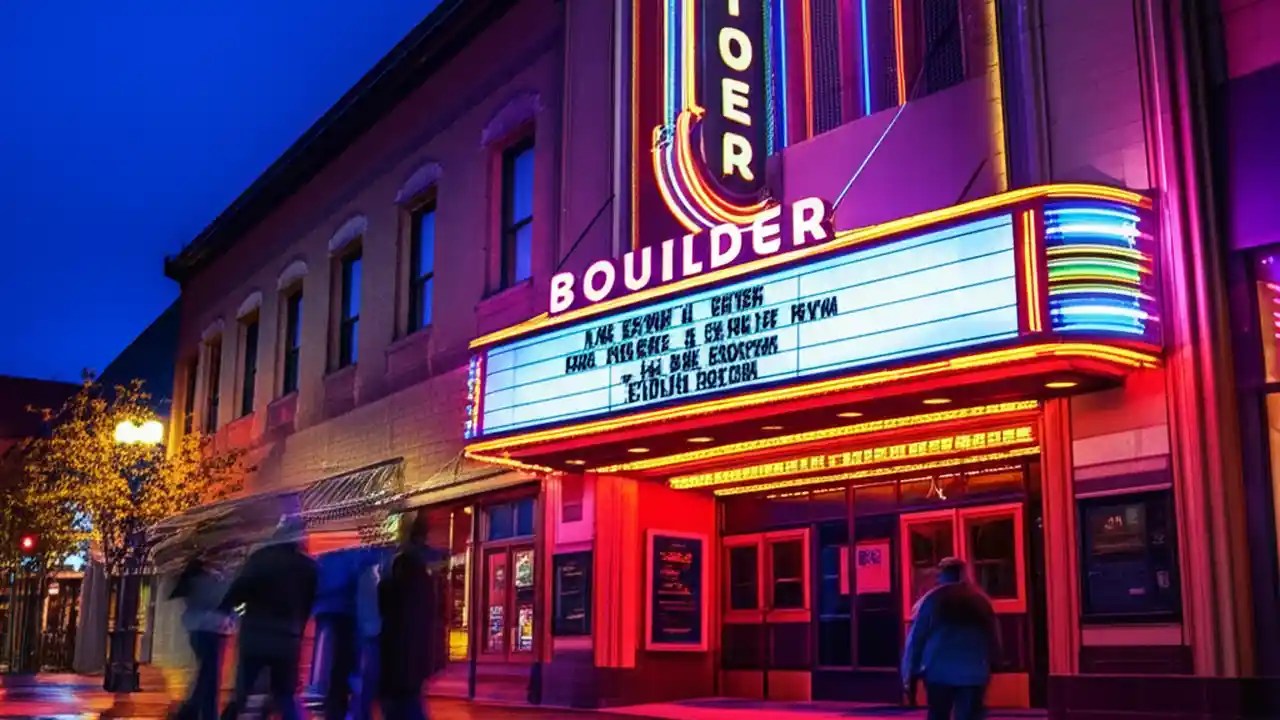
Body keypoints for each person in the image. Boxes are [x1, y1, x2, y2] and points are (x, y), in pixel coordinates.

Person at [219, 515, 317, 720]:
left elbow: (239, 590)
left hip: (256, 633)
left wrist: (237, 611)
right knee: (285, 695)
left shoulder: (260, 558)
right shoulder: (307, 566)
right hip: (287, 638)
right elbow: (309, 602)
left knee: (242, 692)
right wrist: (298, 627)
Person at [901, 557, 1000, 720]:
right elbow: (993, 635)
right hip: (974, 671)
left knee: (938, 714)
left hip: (938, 671)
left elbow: (916, 639)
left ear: (942, 575)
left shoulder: (932, 600)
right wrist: (995, 661)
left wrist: (909, 674)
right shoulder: (980, 601)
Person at [378, 514, 443, 720]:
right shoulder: (423, 568)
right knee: (410, 702)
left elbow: (387, 604)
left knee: (399, 705)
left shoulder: (401, 564)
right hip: (415, 651)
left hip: (398, 650)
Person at [171, 552, 231, 720]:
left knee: (208, 674)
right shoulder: (208, 578)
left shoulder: (195, 576)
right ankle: (194, 710)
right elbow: (222, 599)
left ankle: (200, 712)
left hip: (202, 629)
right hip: (211, 629)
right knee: (209, 675)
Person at [313, 548, 364, 720]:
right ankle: (335, 704)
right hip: (346, 613)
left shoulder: (325, 557)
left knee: (329, 662)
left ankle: (326, 698)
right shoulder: (353, 555)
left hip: (329, 610)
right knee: (340, 666)